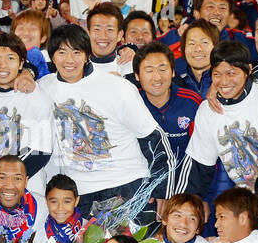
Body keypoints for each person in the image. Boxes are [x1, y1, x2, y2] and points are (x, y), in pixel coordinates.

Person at [39, 23, 173, 217]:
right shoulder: (44, 88)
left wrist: (162, 189)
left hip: (127, 186)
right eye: (61, 52)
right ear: (52, 56)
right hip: (81, 194)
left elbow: (154, 137)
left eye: (77, 52)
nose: (70, 60)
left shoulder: (117, 86)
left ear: (87, 55)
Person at [179, 40, 258, 201]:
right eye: (217, 74)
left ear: (248, 70)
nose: (224, 81)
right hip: (246, 202)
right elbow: (199, 169)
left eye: (231, 73)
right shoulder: (207, 110)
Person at [0, 31, 53, 186]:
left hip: (25, 188)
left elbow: (41, 152)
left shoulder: (35, 96)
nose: (3, 65)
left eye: (11, 58)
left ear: (21, 64)